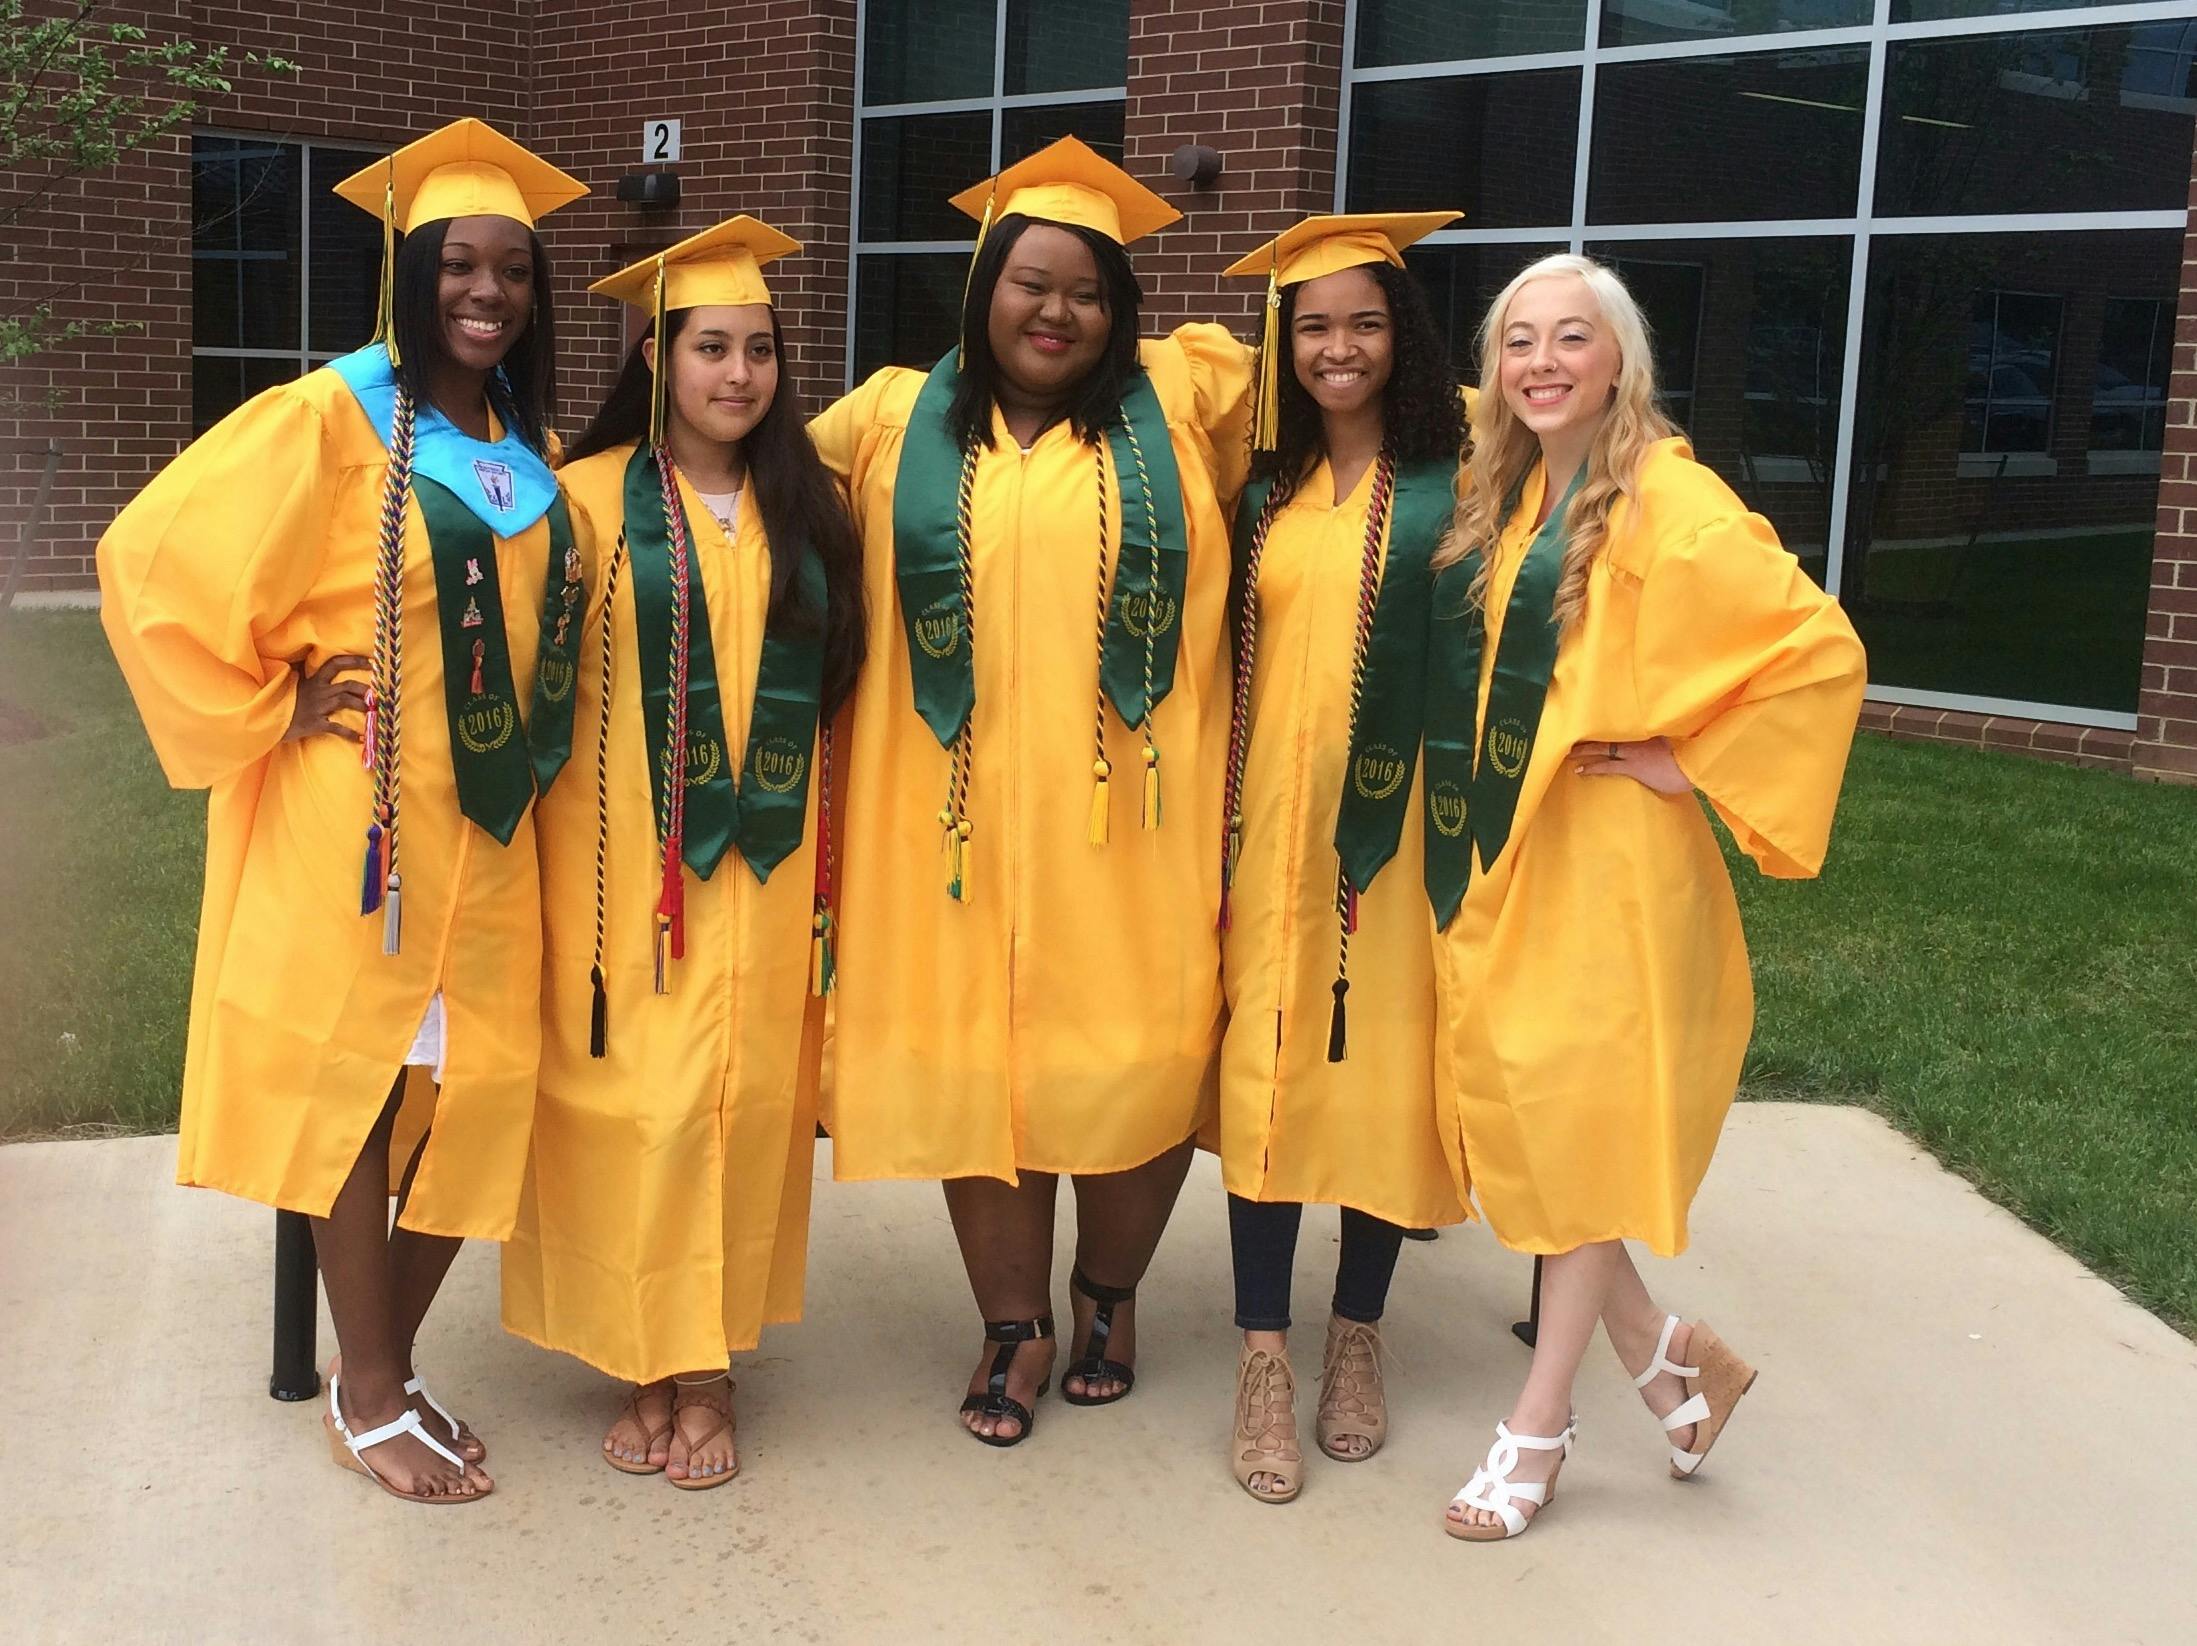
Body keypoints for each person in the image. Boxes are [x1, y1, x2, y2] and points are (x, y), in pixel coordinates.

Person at [98, 119, 588, 1504]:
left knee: (482, 1086)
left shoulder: (521, 442)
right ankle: (370, 1389)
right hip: (359, 816)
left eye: (512, 269)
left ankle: (387, 1354)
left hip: (488, 826)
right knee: (358, 1088)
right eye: (458, 265)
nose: (486, 290)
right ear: (413, 272)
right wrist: (273, 708)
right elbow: (150, 561)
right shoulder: (333, 413)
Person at [809, 136, 1251, 1447]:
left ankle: (1106, 1291)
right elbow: (717, 479)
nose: (1057, 311)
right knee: (976, 1068)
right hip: (944, 823)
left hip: (1133, 823)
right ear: (981, 289)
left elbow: (1362, 395)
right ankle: (1014, 1321)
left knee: (1136, 1051)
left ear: (1122, 312)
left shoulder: (1183, 402)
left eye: (1088, 291)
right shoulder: (893, 416)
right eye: (1030, 283)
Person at [1426, 253, 1866, 1541]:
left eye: (1572, 337)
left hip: (1614, 862)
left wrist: (1694, 757)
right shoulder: (1519, 487)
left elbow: (1815, 648)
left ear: (1621, 357)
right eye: (1519, 341)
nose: (1542, 362)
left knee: (1575, 1132)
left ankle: (1538, 1424)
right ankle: (1671, 1359)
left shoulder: (1671, 501)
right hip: (1525, 847)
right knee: (1544, 1126)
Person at [499, 218, 865, 1488]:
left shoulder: (810, 500)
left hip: (762, 872)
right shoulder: (581, 496)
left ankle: (704, 1362)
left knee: (741, 1104)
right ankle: (639, 1350)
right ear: (657, 355)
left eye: (760, 349)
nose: (739, 373)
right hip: (620, 869)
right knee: (633, 1103)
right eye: (711, 346)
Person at [1212, 212, 1471, 1504]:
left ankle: (1354, 1333)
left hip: (1404, 824)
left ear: (1402, 336)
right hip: (1275, 828)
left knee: (1377, 1070)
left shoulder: (1466, 479)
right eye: (1311, 325)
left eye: (1364, 321)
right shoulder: (1266, 489)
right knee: (1266, 1075)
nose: (1337, 347)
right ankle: (1265, 1353)